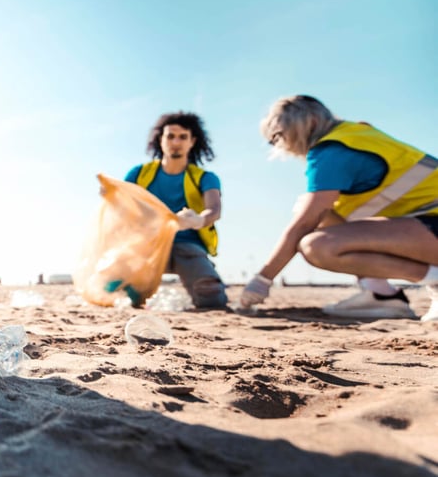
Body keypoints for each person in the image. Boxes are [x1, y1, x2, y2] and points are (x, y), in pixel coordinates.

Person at [240, 95, 438, 321]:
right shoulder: (356, 134)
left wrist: (263, 279)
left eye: (280, 135)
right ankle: (380, 294)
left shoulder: (331, 152)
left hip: (432, 225)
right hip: (424, 224)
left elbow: (305, 224)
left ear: (311, 122)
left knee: (317, 245)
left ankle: (435, 280)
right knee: (317, 209)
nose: (280, 144)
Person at [124, 112, 228, 309]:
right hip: (147, 247)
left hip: (187, 245)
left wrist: (197, 220)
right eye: (170, 136)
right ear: (160, 140)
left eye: (182, 137)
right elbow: (122, 203)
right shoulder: (138, 174)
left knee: (213, 299)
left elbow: (214, 210)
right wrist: (111, 194)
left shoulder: (204, 177)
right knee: (122, 295)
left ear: (192, 141)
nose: (176, 142)